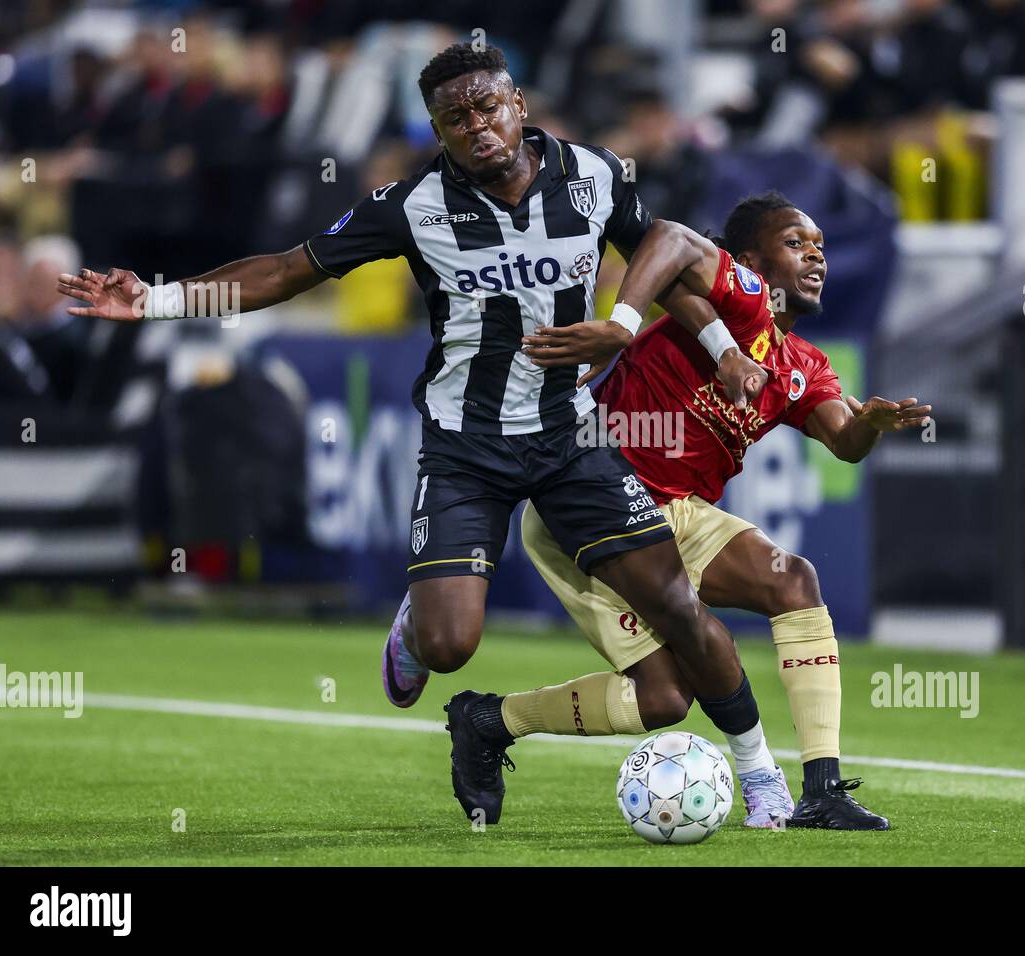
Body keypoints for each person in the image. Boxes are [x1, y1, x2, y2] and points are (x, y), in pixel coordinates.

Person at [57, 42, 777, 827]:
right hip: (465, 445)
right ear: (437, 130)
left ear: (519, 106)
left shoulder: (595, 174)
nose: (476, 128)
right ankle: (419, 622)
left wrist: (724, 352)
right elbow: (286, 271)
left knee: (676, 602)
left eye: (487, 108)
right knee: (448, 647)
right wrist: (157, 302)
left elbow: (666, 264)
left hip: (572, 436)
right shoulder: (412, 205)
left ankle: (763, 778)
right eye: (454, 118)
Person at [461, 192, 930, 829]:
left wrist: (871, 422)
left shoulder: (802, 365)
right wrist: (622, 324)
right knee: (675, 678)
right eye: (796, 242)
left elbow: (845, 443)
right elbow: (672, 236)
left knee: (777, 596)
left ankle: (821, 789)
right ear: (747, 261)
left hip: (676, 514)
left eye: (820, 245)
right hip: (591, 506)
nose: (816, 254)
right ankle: (497, 721)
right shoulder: (739, 302)